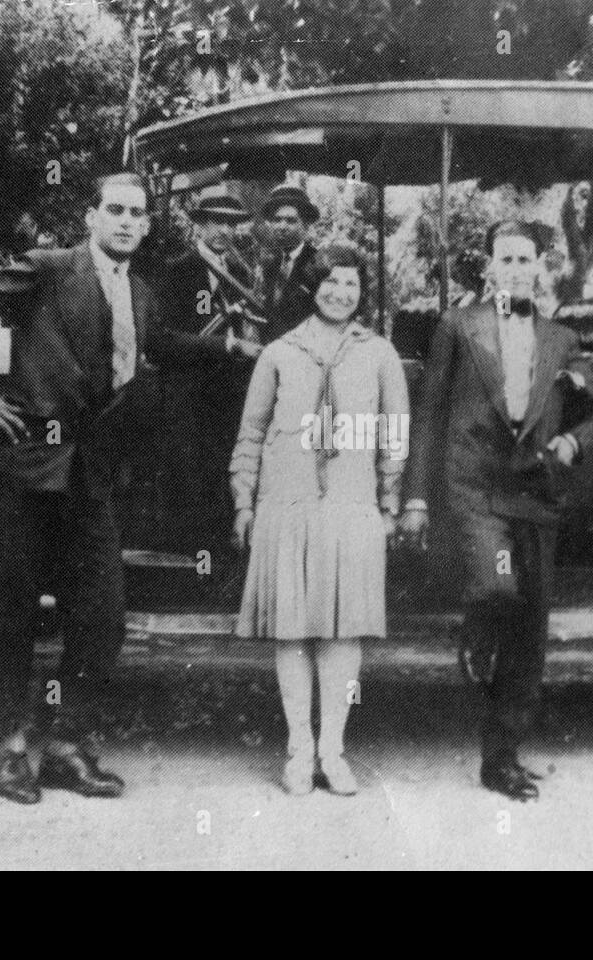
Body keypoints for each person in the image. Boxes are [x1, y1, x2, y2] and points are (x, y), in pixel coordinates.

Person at [0, 172, 220, 805]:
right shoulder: (48, 268)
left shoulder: (141, 294)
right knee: (13, 616)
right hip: (27, 472)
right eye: (114, 209)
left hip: (90, 479)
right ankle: (8, 749)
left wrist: (230, 347)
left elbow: (155, 351)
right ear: (91, 216)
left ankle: (67, 746)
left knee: (103, 619)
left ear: (147, 225)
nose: (125, 221)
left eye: (137, 213)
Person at [399, 220, 593, 802]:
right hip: (474, 490)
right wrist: (416, 497)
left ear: (538, 268)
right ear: (489, 266)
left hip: (535, 494)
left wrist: (570, 443)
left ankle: (502, 758)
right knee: (496, 590)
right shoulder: (457, 326)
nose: (517, 269)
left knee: (530, 630)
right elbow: (430, 414)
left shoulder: (561, 340)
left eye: (527, 260)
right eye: (507, 259)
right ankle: (476, 632)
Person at [230, 244, 409, 796]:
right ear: (312, 287)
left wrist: (389, 503)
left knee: (342, 631)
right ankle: (298, 750)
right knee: (293, 630)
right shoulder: (280, 353)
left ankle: (333, 749)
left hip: (352, 508)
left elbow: (394, 436)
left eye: (352, 284)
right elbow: (252, 434)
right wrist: (244, 500)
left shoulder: (380, 354)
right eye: (331, 282)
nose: (341, 293)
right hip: (287, 507)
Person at [156, 188, 263, 550]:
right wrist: (227, 345)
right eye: (215, 221)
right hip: (188, 394)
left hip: (230, 394)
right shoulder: (176, 270)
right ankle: (192, 569)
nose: (223, 231)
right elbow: (161, 341)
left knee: (226, 477)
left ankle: (221, 564)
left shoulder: (240, 274)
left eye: (230, 224)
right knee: (190, 482)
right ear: (199, 225)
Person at [259, 183, 320, 344]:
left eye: (291, 221)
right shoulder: (270, 266)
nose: (282, 227)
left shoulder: (318, 264)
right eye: (277, 220)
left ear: (305, 225)